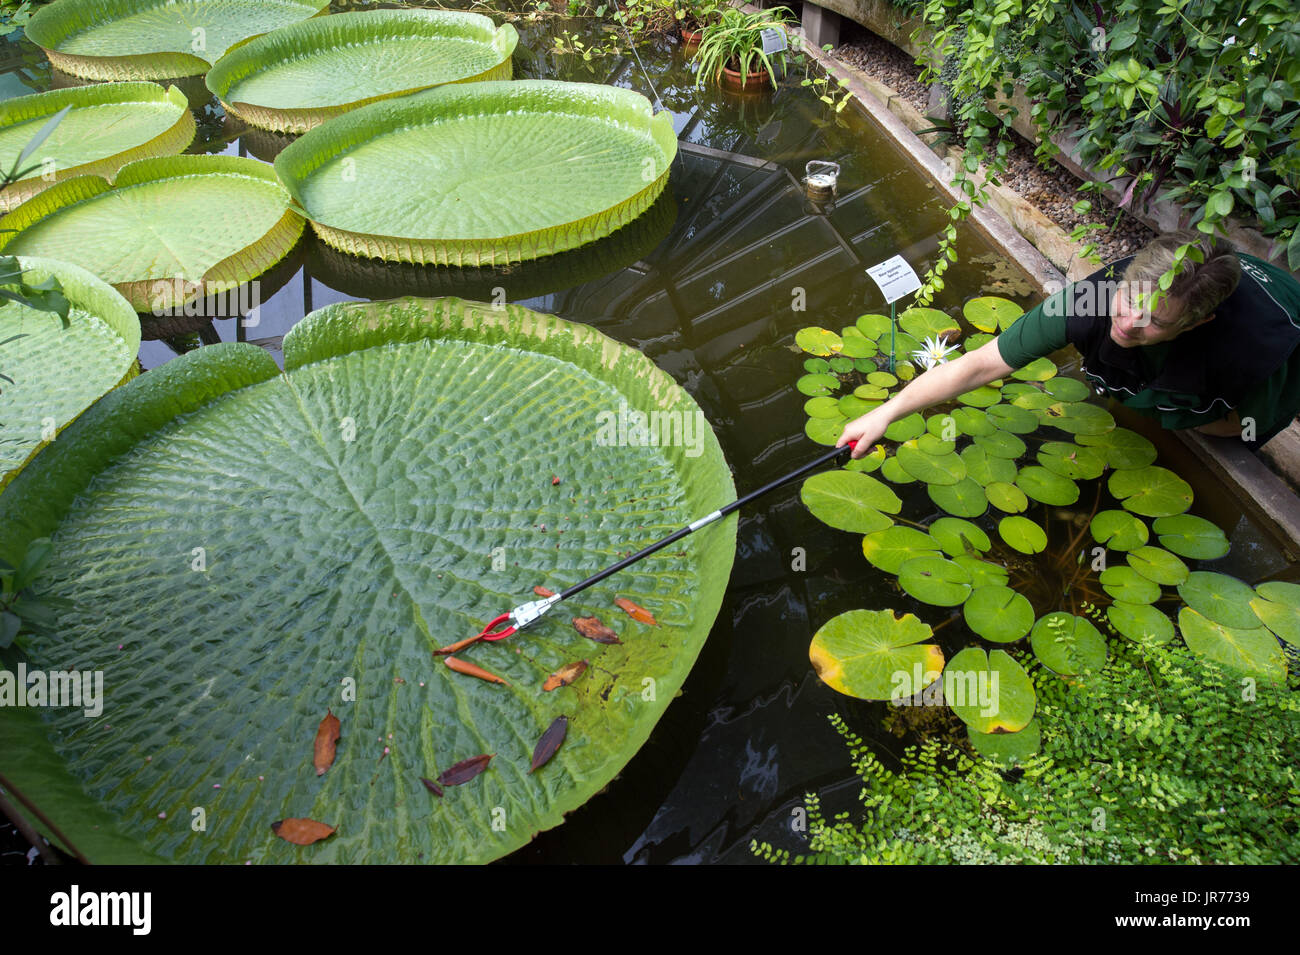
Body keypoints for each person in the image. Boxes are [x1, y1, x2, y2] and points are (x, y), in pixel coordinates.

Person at [839, 229, 1300, 456]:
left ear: (1197, 324)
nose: (1127, 323)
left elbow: (1242, 425)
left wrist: (1173, 414)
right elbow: (980, 365)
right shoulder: (1091, 300)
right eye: (1126, 299)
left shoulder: (1250, 352)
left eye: (1154, 321)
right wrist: (885, 412)